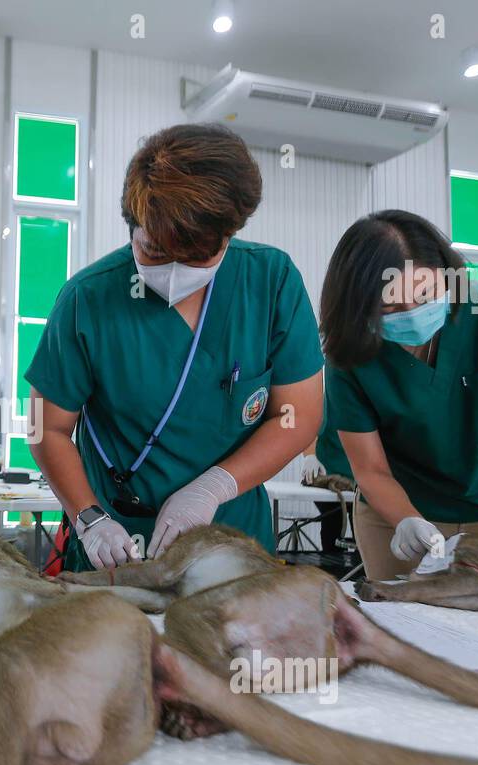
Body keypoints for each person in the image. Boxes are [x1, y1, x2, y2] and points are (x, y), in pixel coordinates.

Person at [26, 124, 325, 571]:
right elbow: (44, 428)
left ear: (230, 234)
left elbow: (297, 417)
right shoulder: (89, 299)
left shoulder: (270, 282)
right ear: (132, 223)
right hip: (119, 547)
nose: (174, 270)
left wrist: (214, 487)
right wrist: (88, 518)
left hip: (233, 540)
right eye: (155, 251)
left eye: (196, 257)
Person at [321, 209, 478, 581]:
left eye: (425, 295)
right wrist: (405, 519)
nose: (412, 314)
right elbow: (370, 468)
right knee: (407, 630)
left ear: (447, 273)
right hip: (399, 519)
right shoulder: (350, 353)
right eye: (389, 307)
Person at [299, 402, 355, 553]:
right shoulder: (331, 398)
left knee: (364, 531)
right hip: (328, 480)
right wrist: (310, 455)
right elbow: (309, 428)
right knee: (332, 522)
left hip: (363, 483)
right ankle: (332, 568)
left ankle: (361, 571)